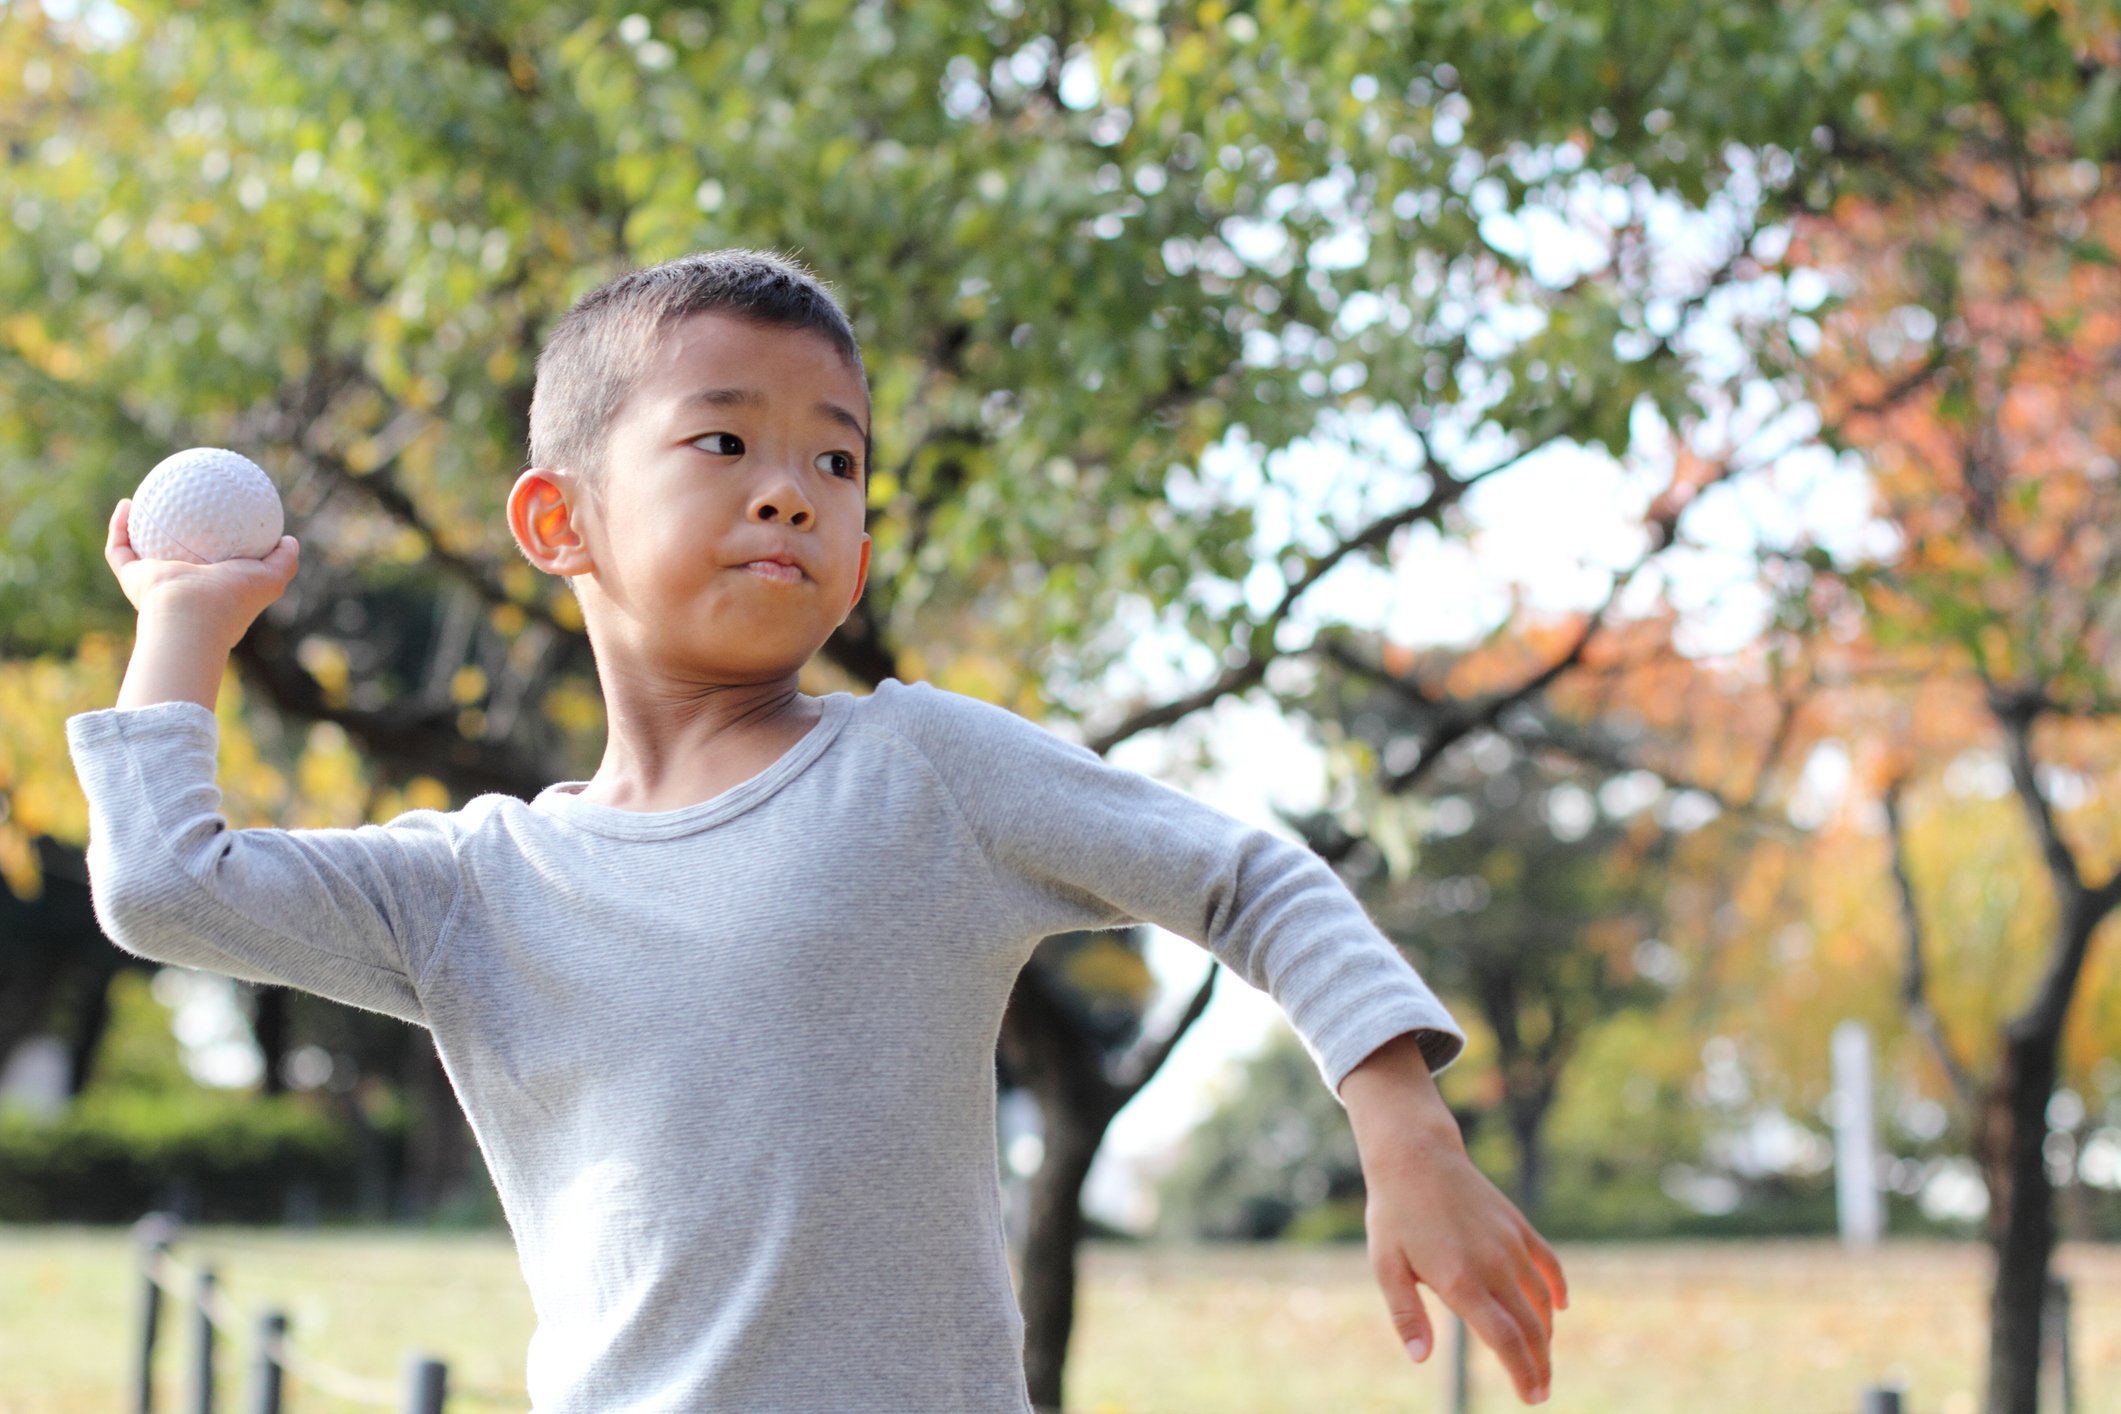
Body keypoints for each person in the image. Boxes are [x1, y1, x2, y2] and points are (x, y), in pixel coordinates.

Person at [65, 248, 1566, 1412]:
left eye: (834, 462)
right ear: (556, 521)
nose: (790, 491)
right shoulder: (477, 887)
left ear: (855, 557)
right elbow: (165, 886)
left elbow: (1242, 873)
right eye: (723, 443)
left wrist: (1400, 1116)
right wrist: (190, 624)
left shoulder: (925, 772)